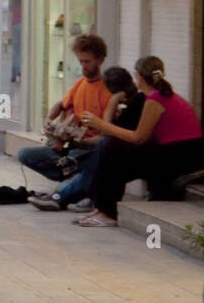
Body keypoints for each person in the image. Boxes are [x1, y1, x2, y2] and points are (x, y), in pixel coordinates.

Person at [78, 56, 204, 227]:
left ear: (138, 77)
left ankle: (107, 211)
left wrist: (101, 125)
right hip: (179, 153)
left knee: (110, 146)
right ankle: (103, 208)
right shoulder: (159, 96)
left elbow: (139, 138)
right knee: (111, 150)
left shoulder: (154, 99)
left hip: (181, 157)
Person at [29, 66, 146, 212]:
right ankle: (69, 191)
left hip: (120, 154)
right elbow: (107, 131)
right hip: (101, 150)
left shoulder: (135, 103)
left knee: (94, 161)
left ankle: (58, 197)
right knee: (89, 160)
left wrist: (112, 103)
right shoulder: (121, 103)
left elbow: (106, 132)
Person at [19, 35, 111, 207]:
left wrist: (81, 141)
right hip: (70, 146)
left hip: (88, 148)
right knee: (25, 154)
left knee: (83, 158)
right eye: (80, 61)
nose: (83, 66)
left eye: (87, 61)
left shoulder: (107, 91)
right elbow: (61, 104)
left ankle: (71, 182)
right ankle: (71, 176)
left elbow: (106, 136)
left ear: (100, 59)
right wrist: (49, 119)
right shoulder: (80, 84)